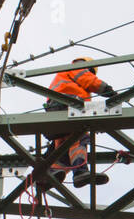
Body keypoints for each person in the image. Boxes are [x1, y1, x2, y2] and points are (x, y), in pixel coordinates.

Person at [42, 59, 118, 188]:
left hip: (58, 108)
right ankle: (80, 172)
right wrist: (109, 91)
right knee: (80, 137)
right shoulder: (78, 68)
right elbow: (89, 80)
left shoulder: (67, 77)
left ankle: (51, 173)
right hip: (68, 103)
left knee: (64, 145)